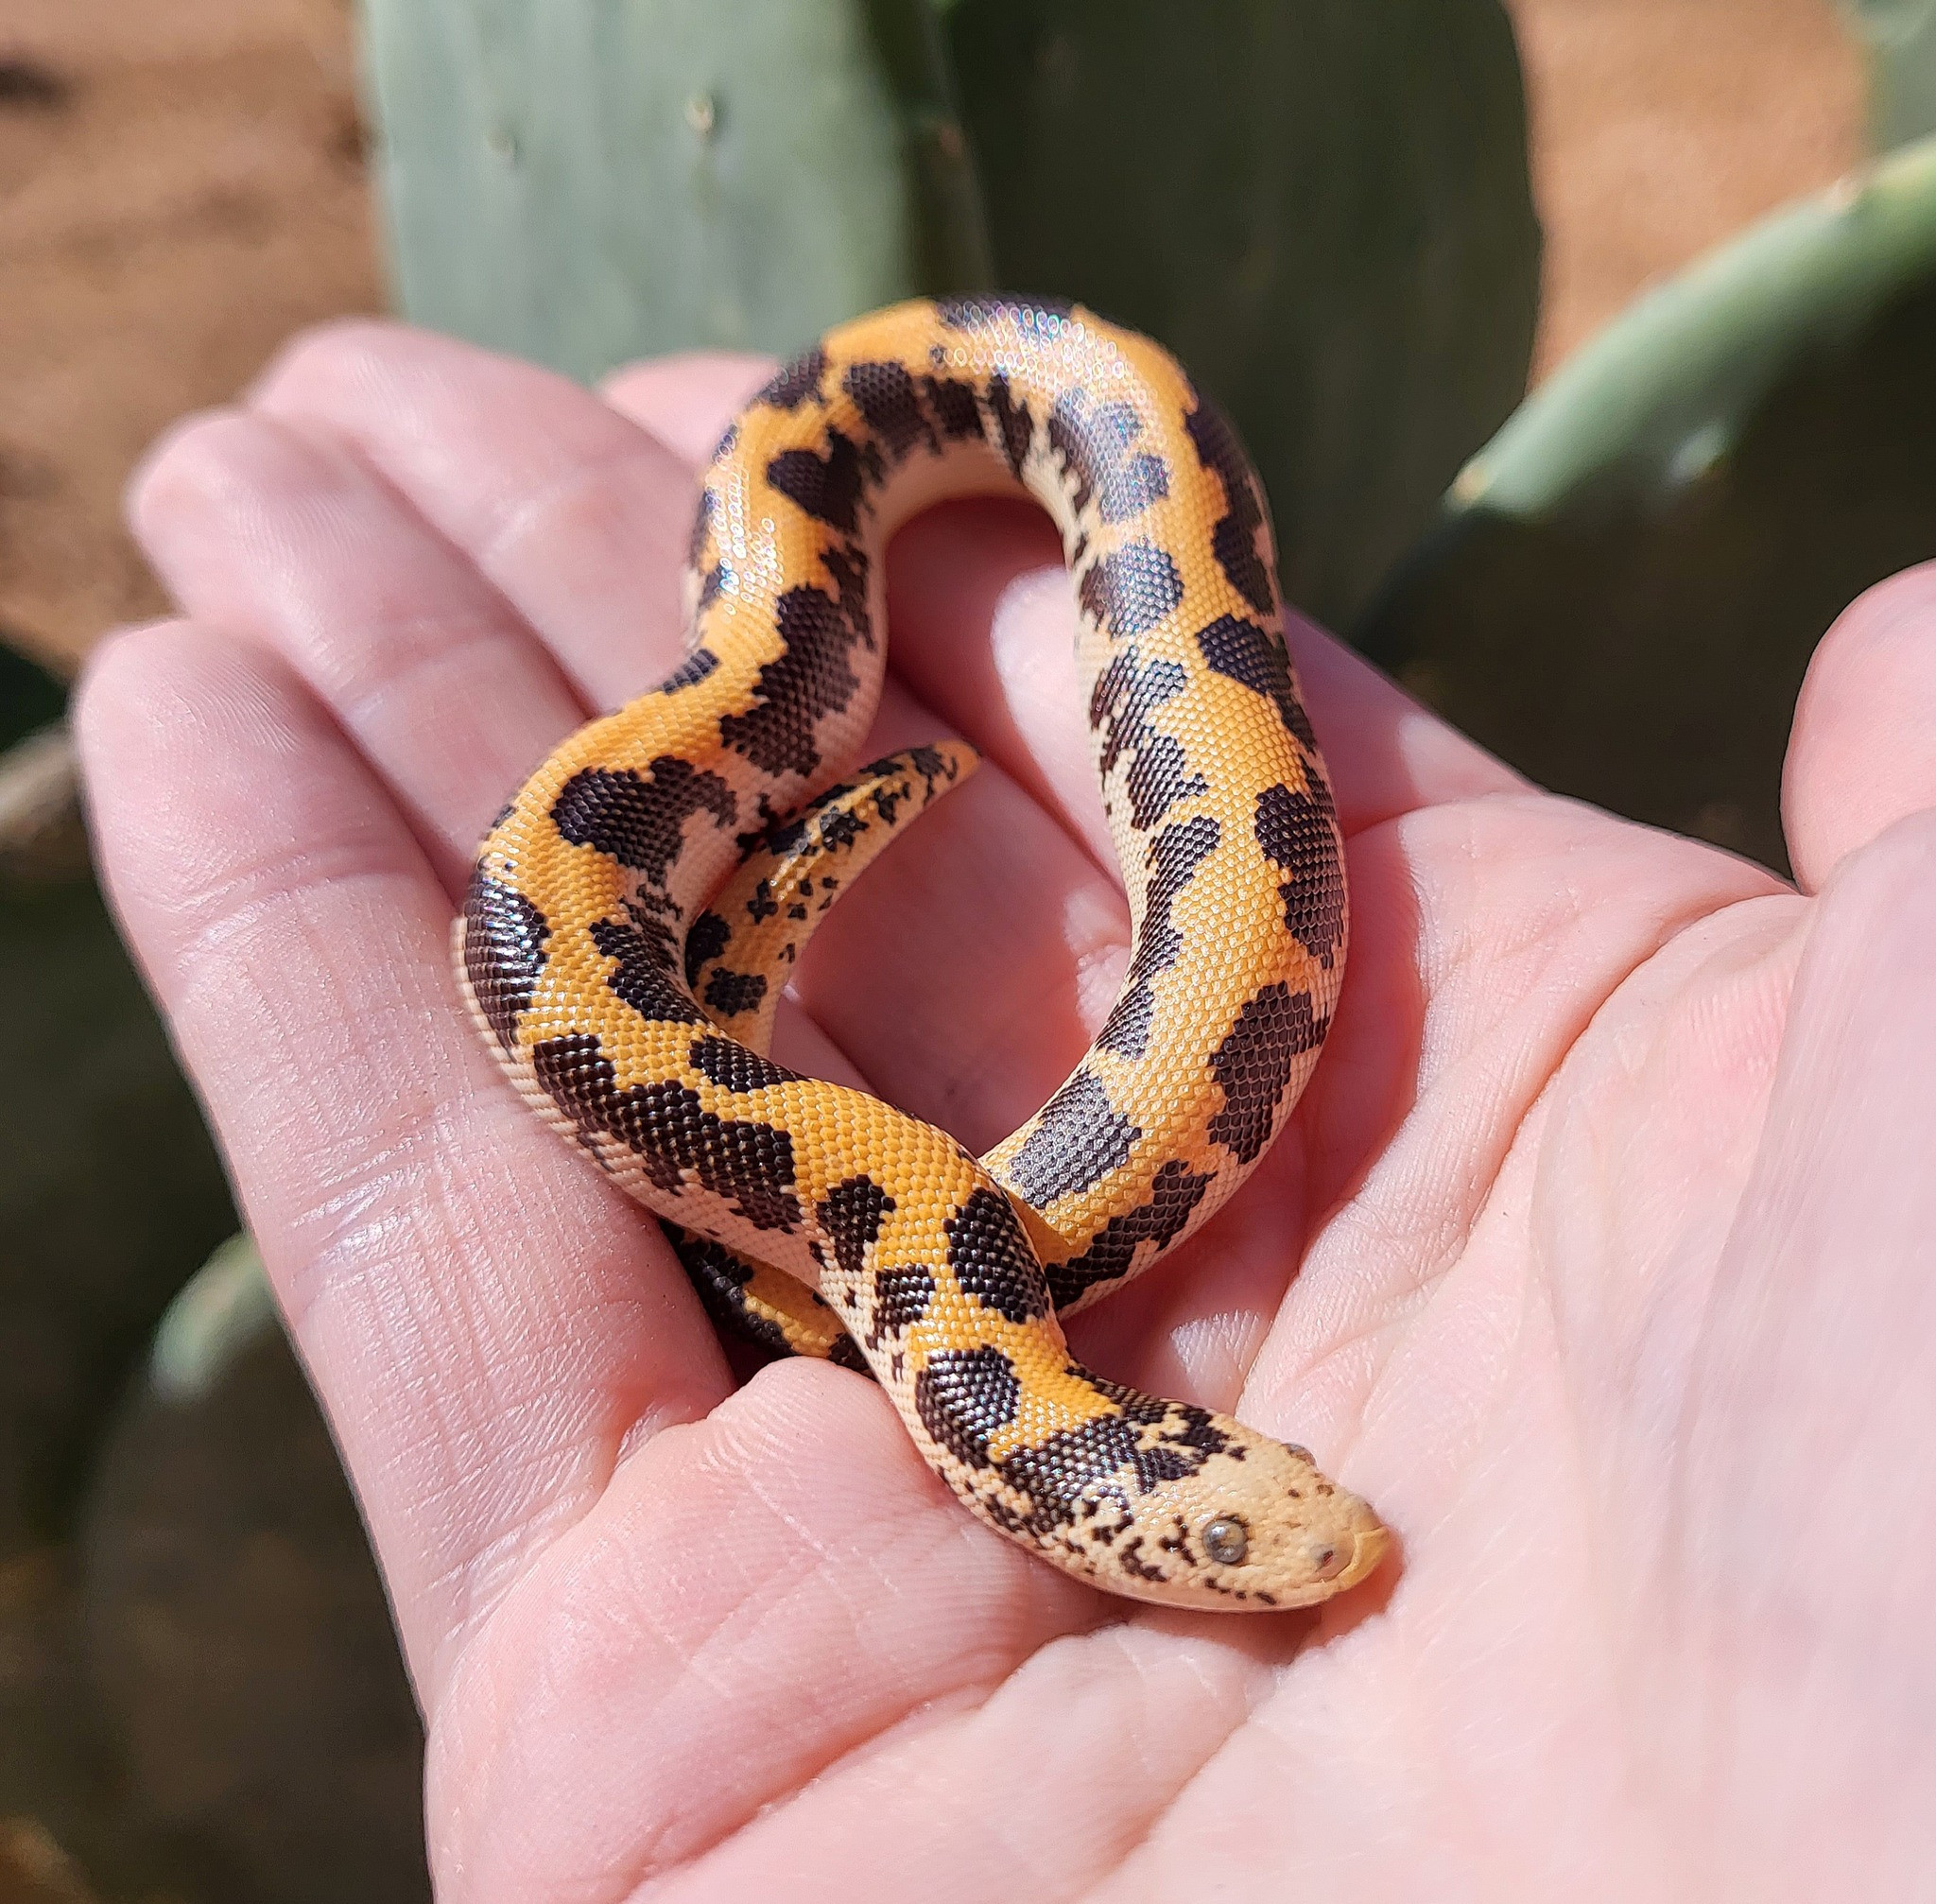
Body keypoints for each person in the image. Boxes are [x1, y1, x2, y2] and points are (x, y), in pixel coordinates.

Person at [77, 320, 1935, 1901]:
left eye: (1235, 1520)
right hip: (697, 976)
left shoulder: (929, 1260)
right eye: (1234, 1522)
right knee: (782, 712)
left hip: (864, 1191)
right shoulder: (899, 1221)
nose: (1312, 1539)